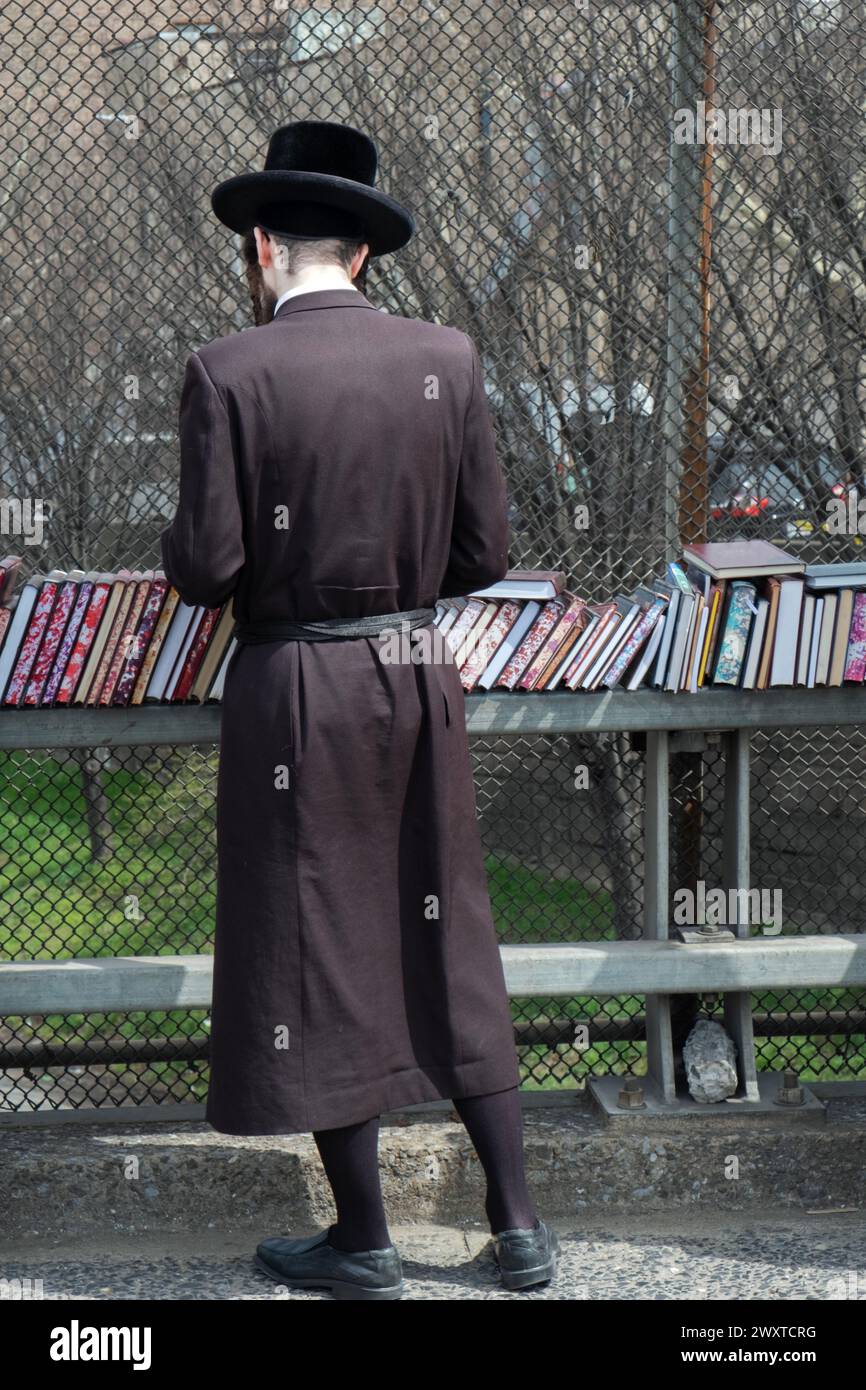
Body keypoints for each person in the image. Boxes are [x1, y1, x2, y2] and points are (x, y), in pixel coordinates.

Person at [160, 119, 559, 1300]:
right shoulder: (449, 355)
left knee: (312, 943)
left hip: (295, 691)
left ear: (264, 242)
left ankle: (366, 1240)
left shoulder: (228, 370)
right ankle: (521, 1227)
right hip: (415, 675)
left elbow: (209, 563)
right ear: (365, 254)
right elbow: (486, 549)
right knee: (452, 936)